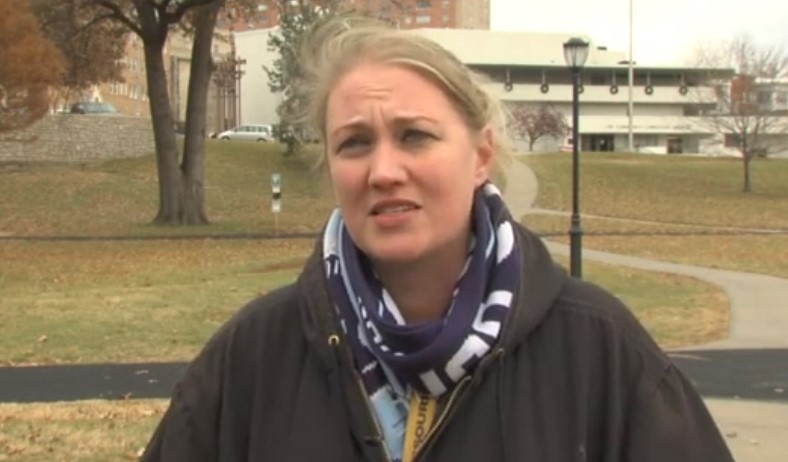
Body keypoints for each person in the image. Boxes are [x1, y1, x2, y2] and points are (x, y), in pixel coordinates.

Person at [141, 15, 734, 462]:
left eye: (415, 136)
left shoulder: (599, 351)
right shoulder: (251, 358)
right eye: (354, 143)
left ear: (480, 156)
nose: (383, 171)